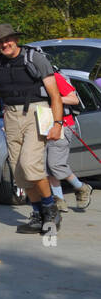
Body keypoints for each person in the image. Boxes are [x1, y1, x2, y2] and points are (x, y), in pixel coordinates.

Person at [0, 23, 66, 235]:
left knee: (29, 165)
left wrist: (57, 123)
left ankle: (51, 208)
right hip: (10, 116)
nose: (4, 44)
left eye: (7, 40)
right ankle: (37, 214)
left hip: (36, 113)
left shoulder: (35, 58)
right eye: (0, 41)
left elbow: (55, 94)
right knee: (19, 173)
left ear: (15, 39)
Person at [45, 70, 92, 210]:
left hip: (63, 125)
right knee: (47, 167)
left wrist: (53, 99)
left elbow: (74, 99)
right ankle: (59, 199)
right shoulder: (29, 81)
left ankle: (81, 187)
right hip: (42, 126)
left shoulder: (54, 77)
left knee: (55, 164)